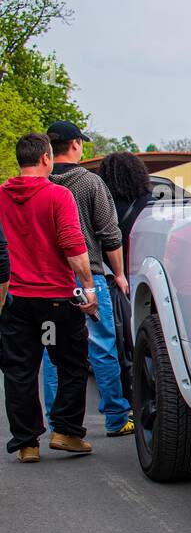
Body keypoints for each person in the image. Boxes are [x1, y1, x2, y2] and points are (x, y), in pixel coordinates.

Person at [0, 133, 98, 462]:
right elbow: (73, 245)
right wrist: (88, 288)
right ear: (46, 159)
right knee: (71, 365)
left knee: (19, 370)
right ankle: (66, 432)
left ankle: (27, 443)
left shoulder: (1, 195)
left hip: (16, 299)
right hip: (57, 297)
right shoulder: (59, 195)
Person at [40, 120, 134, 438]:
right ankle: (117, 417)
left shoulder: (40, 183)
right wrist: (119, 274)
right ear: (76, 144)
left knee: (52, 352)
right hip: (86, 279)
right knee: (102, 346)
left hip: (48, 282)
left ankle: (58, 424)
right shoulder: (89, 183)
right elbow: (110, 235)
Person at [99, 151, 152, 400]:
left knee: (114, 343)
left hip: (111, 282)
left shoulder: (102, 207)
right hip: (143, 282)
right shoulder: (147, 206)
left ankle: (121, 396)